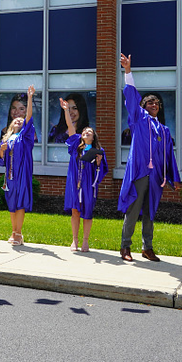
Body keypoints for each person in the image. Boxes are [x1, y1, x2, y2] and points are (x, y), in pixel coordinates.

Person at [117, 53, 181, 262]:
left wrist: (174, 178)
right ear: (144, 106)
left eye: (157, 104)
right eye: (150, 102)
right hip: (141, 171)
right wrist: (128, 71)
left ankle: (148, 247)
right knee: (134, 210)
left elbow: (169, 156)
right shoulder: (139, 119)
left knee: (150, 211)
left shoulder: (164, 130)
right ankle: (125, 247)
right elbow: (131, 97)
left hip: (156, 176)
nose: (154, 105)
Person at [61, 97, 107, 252]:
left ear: (93, 137)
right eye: (85, 131)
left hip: (88, 185)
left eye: (90, 132)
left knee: (87, 212)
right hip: (75, 183)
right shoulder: (76, 146)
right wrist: (66, 110)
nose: (87, 132)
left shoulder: (98, 152)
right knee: (75, 211)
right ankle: (74, 240)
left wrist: (99, 163)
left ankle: (85, 241)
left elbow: (101, 172)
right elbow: (70, 126)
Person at [0, 85, 37, 245]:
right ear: (11, 125)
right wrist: (2, 151)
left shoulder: (25, 137)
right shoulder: (7, 139)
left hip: (22, 174)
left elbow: (28, 118)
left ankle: (19, 234)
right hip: (10, 176)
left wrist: (30, 97)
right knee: (12, 204)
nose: (19, 120)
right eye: (16, 120)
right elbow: (2, 162)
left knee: (20, 203)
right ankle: (13, 232)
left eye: (21, 120)